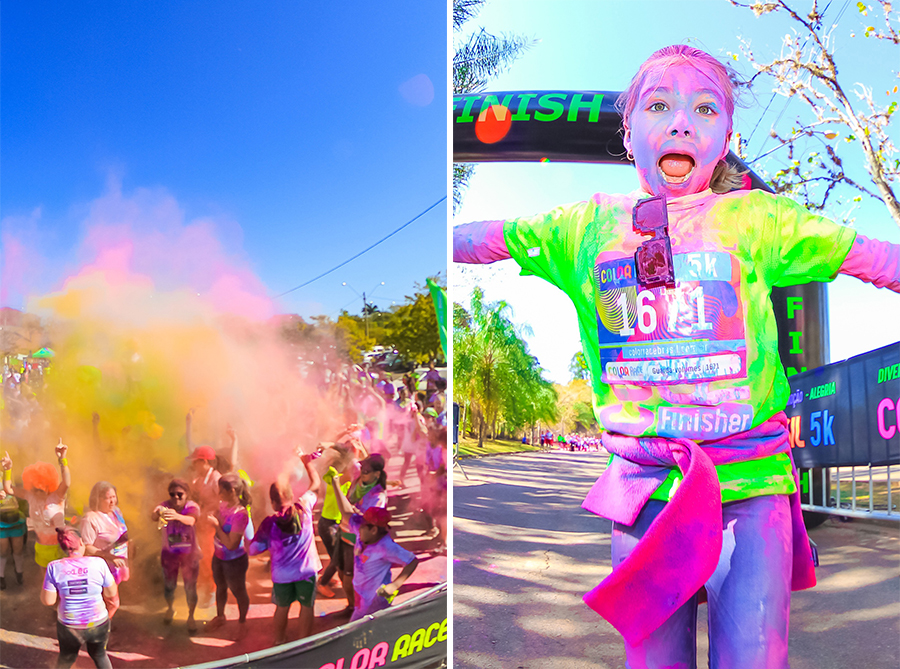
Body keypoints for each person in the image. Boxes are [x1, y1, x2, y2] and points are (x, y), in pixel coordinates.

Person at [453, 44, 899, 668]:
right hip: (643, 493)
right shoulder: (583, 227)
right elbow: (479, 240)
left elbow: (876, 259)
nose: (682, 121)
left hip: (750, 489)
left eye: (705, 108)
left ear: (723, 139)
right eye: (660, 104)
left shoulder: (758, 219)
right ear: (629, 132)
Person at [248, 454, 321, 646]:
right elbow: (316, 484)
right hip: (307, 571)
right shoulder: (304, 507)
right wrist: (307, 463)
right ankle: (305, 642)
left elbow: (254, 549)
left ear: (272, 503)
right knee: (307, 606)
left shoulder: (269, 524)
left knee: (282, 607)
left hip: (282, 575)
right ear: (291, 495)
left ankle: (279, 640)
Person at [41, 526, 119, 669]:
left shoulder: (54, 567)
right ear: (82, 542)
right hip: (98, 622)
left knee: (66, 658)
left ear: (62, 547)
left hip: (69, 625)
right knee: (100, 655)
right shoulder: (98, 563)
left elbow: (48, 601)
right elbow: (111, 595)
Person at [329, 454, 388, 616]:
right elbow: (347, 454)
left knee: (350, 580)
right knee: (341, 573)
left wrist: (355, 512)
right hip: (344, 535)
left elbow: (367, 521)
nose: (363, 471)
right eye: (362, 468)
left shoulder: (378, 496)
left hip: (358, 542)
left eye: (367, 470)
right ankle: (351, 605)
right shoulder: (358, 481)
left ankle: (358, 610)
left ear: (377, 474)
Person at [338, 504, 418, 622]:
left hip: (376, 603)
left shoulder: (387, 546)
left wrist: (395, 585)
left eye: (362, 526)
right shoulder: (363, 536)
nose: (358, 528)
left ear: (373, 530)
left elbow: (412, 561)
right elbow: (345, 511)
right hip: (361, 600)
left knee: (362, 630)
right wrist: (335, 485)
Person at [2, 442, 70, 573]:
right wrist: (8, 469)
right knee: (45, 581)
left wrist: (63, 459)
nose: (37, 491)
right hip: (41, 546)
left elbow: (66, 482)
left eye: (41, 489)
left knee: (61, 580)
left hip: (60, 546)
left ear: (48, 485)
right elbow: (8, 489)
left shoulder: (57, 497)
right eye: (34, 488)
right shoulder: (30, 496)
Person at [151, 478, 201, 633]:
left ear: (186, 494)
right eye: (172, 494)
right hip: (169, 554)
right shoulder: (164, 506)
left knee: (190, 588)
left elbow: (191, 520)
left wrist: (176, 516)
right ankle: (170, 608)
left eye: (180, 494)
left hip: (189, 554)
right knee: (169, 586)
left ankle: (191, 616)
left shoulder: (192, 506)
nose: (176, 498)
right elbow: (154, 515)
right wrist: (159, 512)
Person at [205, 474, 251, 631]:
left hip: (234, 561)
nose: (219, 494)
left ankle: (243, 623)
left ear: (232, 491)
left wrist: (216, 525)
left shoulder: (240, 514)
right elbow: (216, 509)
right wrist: (211, 513)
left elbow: (231, 544)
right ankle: (220, 616)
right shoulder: (223, 505)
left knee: (238, 591)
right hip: (219, 557)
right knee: (220, 586)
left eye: (222, 491)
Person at [316, 443, 357, 598]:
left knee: (336, 556)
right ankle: (322, 583)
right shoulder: (339, 480)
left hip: (332, 524)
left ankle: (326, 579)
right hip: (329, 525)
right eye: (350, 467)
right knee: (337, 558)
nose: (353, 470)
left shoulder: (335, 477)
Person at [81, 482, 130, 584]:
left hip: (120, 565)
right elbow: (87, 547)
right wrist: (110, 557)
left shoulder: (116, 511)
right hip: (104, 570)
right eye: (108, 498)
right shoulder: (90, 519)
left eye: (114, 497)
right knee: (109, 597)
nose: (113, 501)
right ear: (97, 499)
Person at [0, 454, 27, 589]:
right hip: (1, 523)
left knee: (18, 549)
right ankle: (1, 577)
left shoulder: (14, 474)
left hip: (16, 519)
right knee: (3, 550)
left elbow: (21, 493)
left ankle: (19, 573)